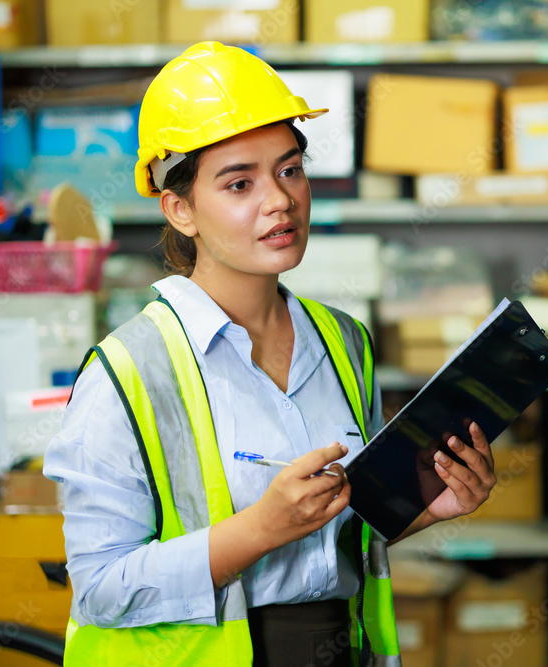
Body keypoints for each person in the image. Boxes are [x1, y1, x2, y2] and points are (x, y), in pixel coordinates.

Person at [44, 42, 497, 667]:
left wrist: (425, 506)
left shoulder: (343, 340)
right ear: (180, 210)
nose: (280, 200)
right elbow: (99, 590)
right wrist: (258, 529)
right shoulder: (128, 370)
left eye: (290, 169)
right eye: (239, 183)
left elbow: (335, 535)